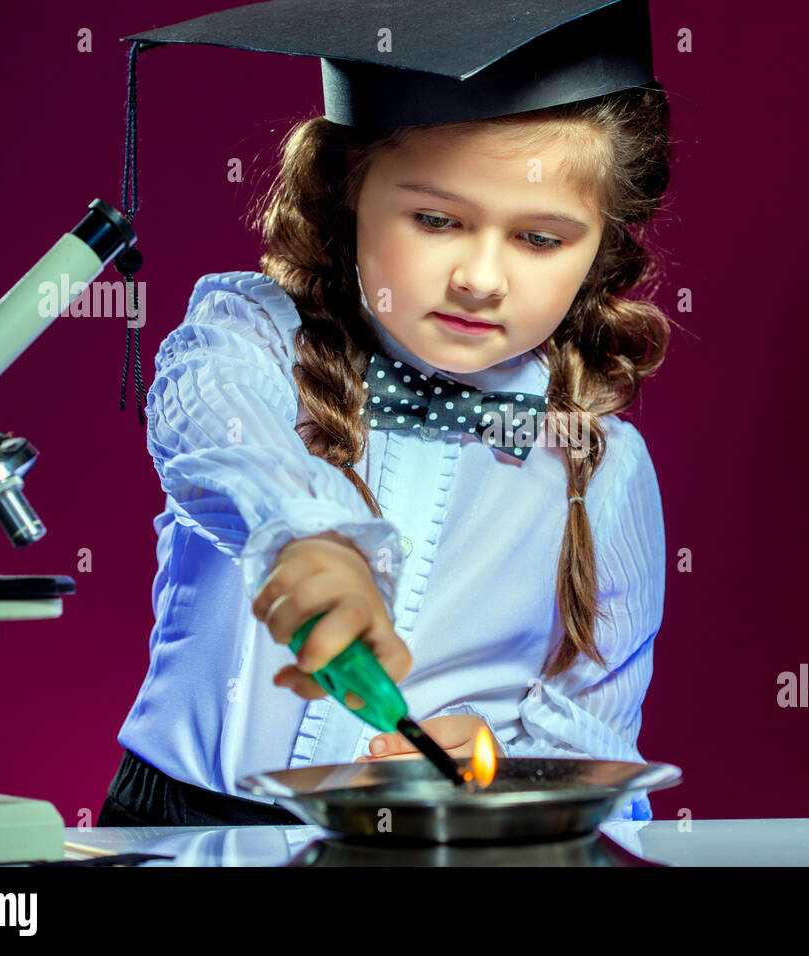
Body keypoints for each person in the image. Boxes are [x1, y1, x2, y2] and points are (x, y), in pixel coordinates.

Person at [99, 0, 674, 827]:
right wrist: (309, 543)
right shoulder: (250, 344)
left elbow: (601, 756)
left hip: (426, 842)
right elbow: (211, 428)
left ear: (603, 251)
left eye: (540, 240)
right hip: (180, 828)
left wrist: (507, 773)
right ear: (345, 195)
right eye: (436, 220)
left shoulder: (601, 465)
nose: (480, 278)